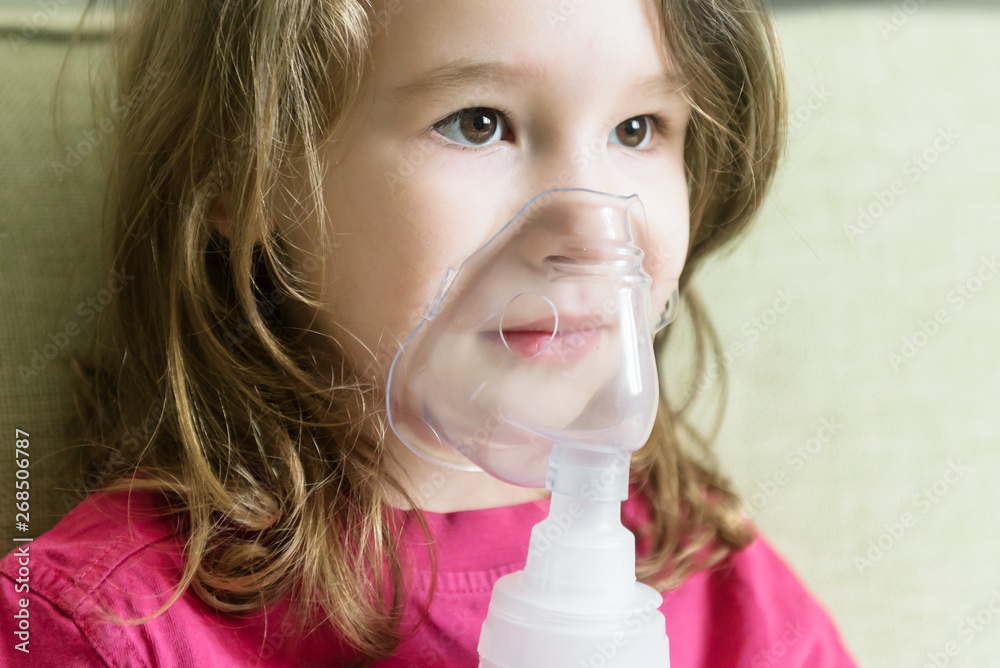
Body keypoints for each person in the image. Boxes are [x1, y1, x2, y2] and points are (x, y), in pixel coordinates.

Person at [0, 0, 858, 665]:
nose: (596, 231)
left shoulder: (711, 575)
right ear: (249, 173)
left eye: (638, 130)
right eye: (479, 122)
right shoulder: (103, 627)